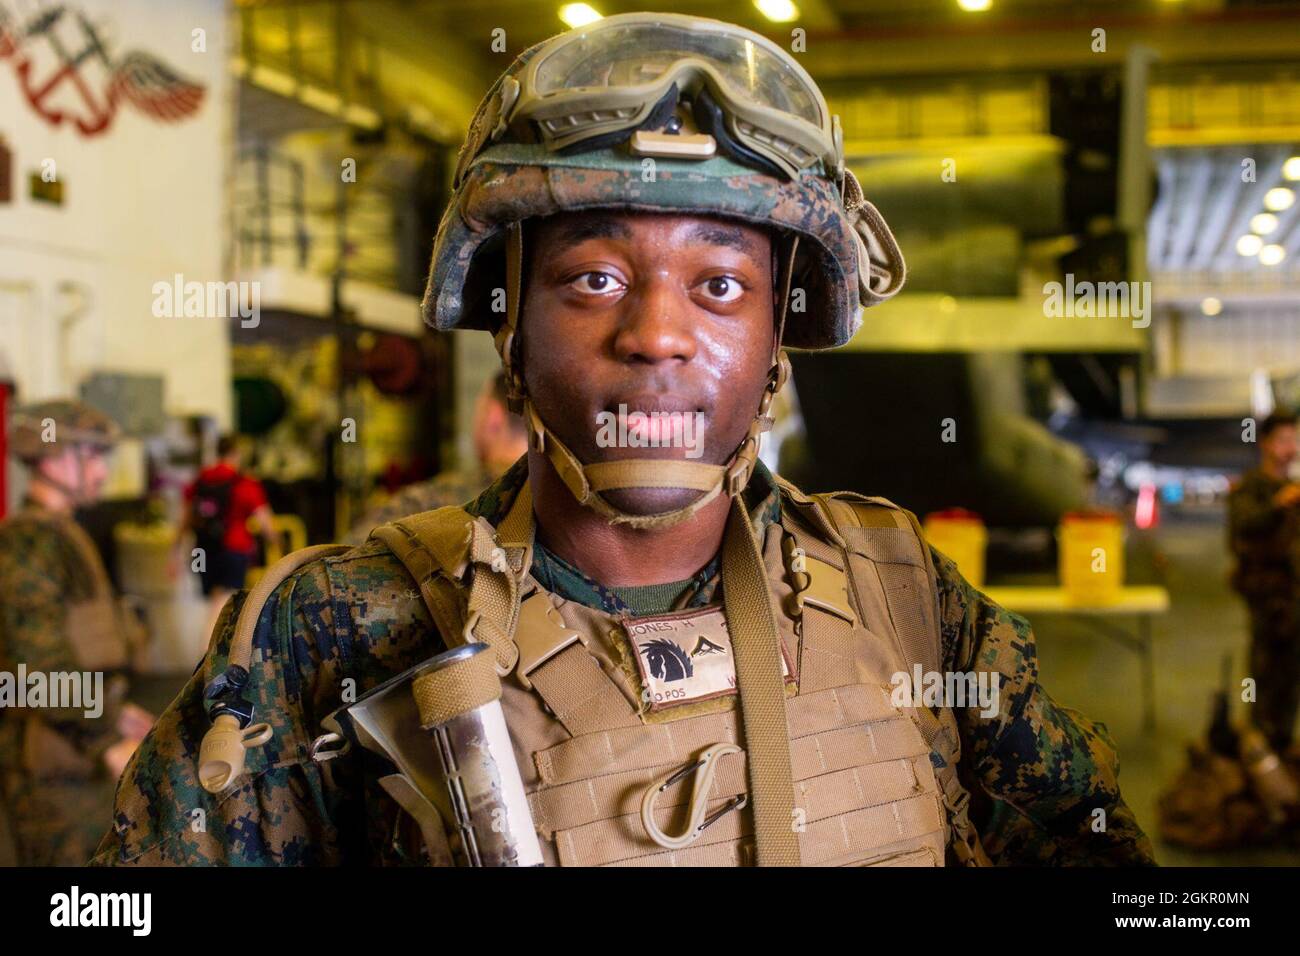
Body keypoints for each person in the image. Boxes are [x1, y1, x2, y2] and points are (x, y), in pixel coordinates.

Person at [92, 12, 1153, 867]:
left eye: (721, 284)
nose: (654, 335)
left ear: (780, 325)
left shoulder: (903, 597)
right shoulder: (334, 629)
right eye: (592, 277)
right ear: (509, 320)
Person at [0, 400, 154, 865]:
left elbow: (78, 645)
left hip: (76, 745)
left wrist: (116, 709)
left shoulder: (61, 534)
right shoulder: (27, 543)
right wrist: (106, 739)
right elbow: (37, 667)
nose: (103, 471)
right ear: (51, 459)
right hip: (52, 765)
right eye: (92, 456)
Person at [346, 370, 529, 544]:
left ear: (493, 418)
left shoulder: (426, 506)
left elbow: (344, 564)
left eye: (479, 408)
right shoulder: (548, 514)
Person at [1228, 409, 1300, 752]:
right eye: (1284, 439)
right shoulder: (1252, 488)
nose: (1292, 447)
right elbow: (1243, 526)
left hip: (1294, 600)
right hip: (1266, 600)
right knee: (1263, 674)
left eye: (1295, 439)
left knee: (1291, 678)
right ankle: (1257, 749)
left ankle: (1281, 746)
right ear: (1266, 444)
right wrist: (1276, 505)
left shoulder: (1293, 490)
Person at [173, 434, 275, 627]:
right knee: (224, 604)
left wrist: (174, 554)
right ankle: (209, 650)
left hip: (202, 550)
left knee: (213, 602)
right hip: (234, 550)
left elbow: (184, 521)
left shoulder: (200, 479)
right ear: (236, 453)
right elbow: (265, 524)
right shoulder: (244, 482)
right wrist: (276, 541)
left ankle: (208, 648)